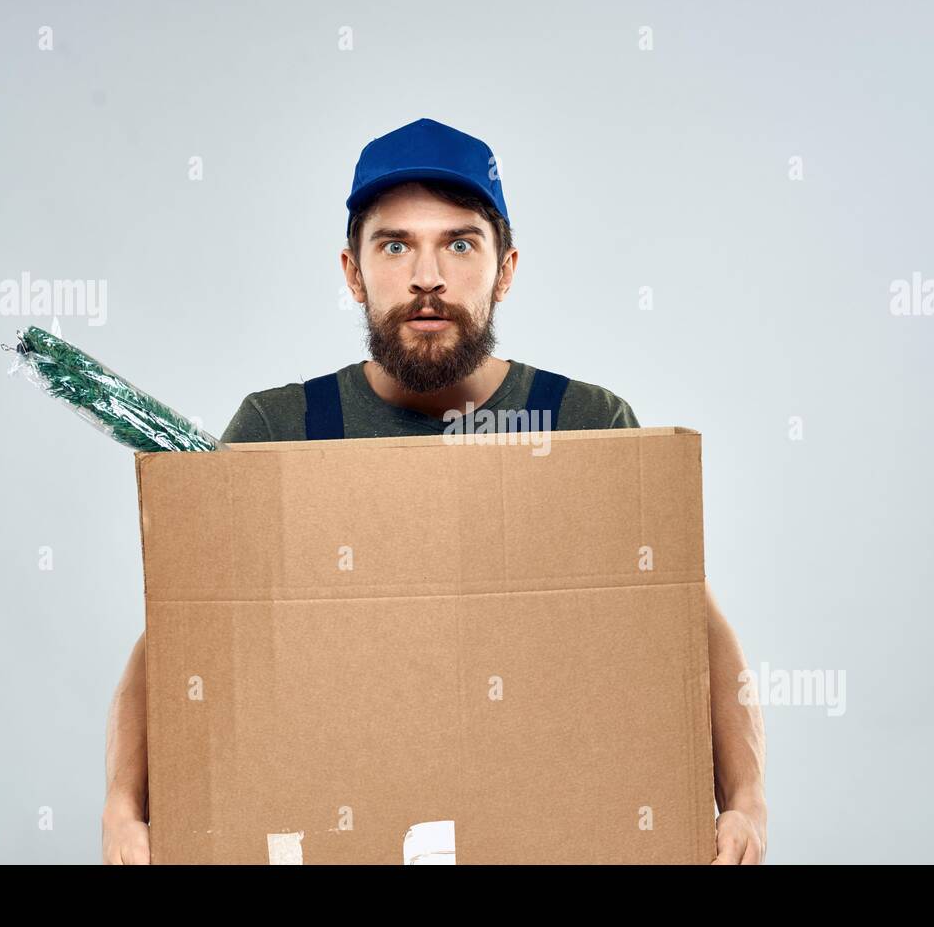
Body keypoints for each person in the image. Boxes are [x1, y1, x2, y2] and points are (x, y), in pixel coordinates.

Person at [102, 118, 767, 864]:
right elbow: (183, 629)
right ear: (353, 272)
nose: (428, 276)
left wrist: (745, 802)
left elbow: (687, 622)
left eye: (460, 243)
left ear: (505, 269)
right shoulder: (281, 428)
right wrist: (125, 810)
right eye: (395, 245)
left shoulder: (585, 425)